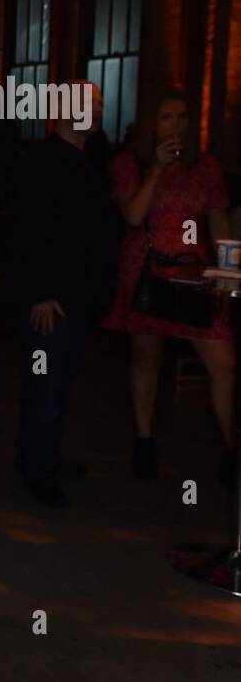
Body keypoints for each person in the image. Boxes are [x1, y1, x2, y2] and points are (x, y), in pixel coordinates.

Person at [102, 86, 234, 480]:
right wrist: (156, 170)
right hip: (147, 270)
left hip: (194, 273)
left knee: (224, 361)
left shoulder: (205, 166)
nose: (174, 125)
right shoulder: (131, 163)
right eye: (165, 117)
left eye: (180, 117)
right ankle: (144, 440)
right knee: (147, 358)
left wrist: (228, 265)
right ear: (150, 124)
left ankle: (231, 448)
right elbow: (132, 215)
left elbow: (218, 217)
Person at [7, 82, 120, 507]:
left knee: (57, 381)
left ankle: (39, 456)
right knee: (46, 382)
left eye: (99, 102)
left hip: (75, 297)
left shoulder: (85, 159)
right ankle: (38, 470)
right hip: (50, 302)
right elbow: (31, 230)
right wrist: (40, 292)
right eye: (89, 103)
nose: (97, 109)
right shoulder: (43, 160)